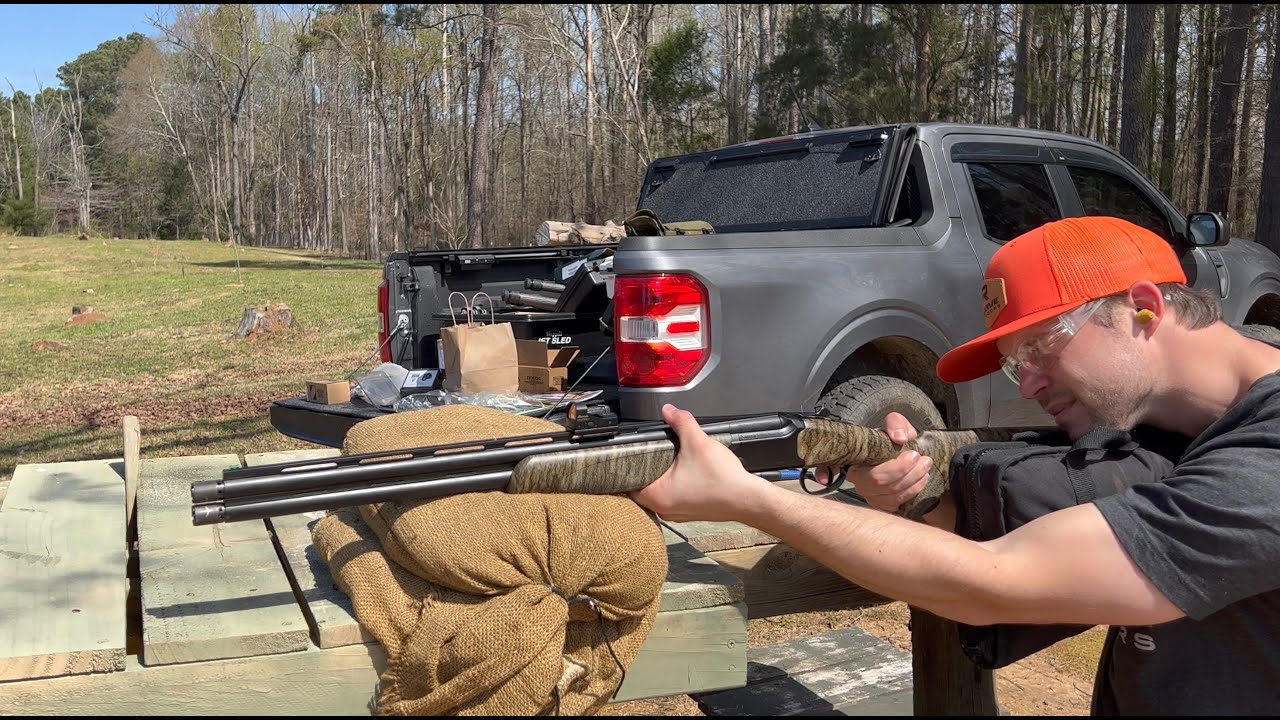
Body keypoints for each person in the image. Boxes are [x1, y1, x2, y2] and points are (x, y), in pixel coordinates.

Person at [629, 216, 1280, 715]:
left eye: (1040, 347)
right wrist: (915, 497)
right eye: (1013, 364)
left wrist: (750, 498)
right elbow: (1042, 521)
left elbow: (995, 578)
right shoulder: (1182, 430)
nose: (1028, 384)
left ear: (1144, 307)